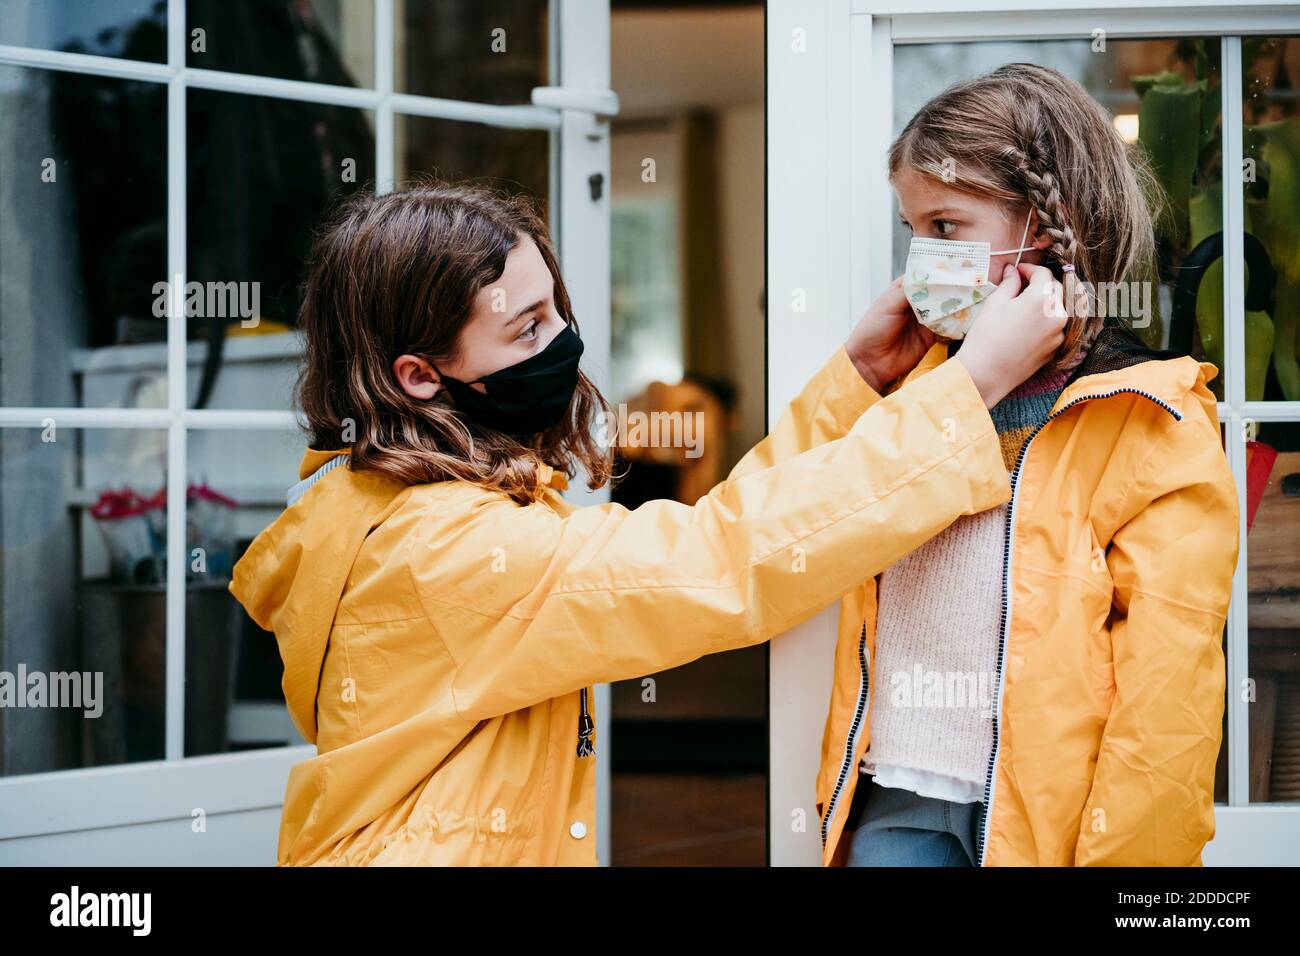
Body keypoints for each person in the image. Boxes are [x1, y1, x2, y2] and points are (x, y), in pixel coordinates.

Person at [229, 179, 1063, 865]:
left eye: (554, 310)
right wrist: (968, 390)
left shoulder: (382, 502)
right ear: (418, 375)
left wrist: (856, 383)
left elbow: (724, 529)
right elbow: (721, 562)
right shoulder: (444, 552)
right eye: (526, 330)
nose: (564, 343)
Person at [825, 63, 1239, 867]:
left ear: (1047, 228)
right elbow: (791, 516)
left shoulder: (1152, 419)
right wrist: (861, 378)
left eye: (946, 226)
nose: (922, 258)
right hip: (895, 792)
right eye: (912, 229)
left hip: (1048, 822)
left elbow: (1167, 704)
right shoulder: (913, 396)